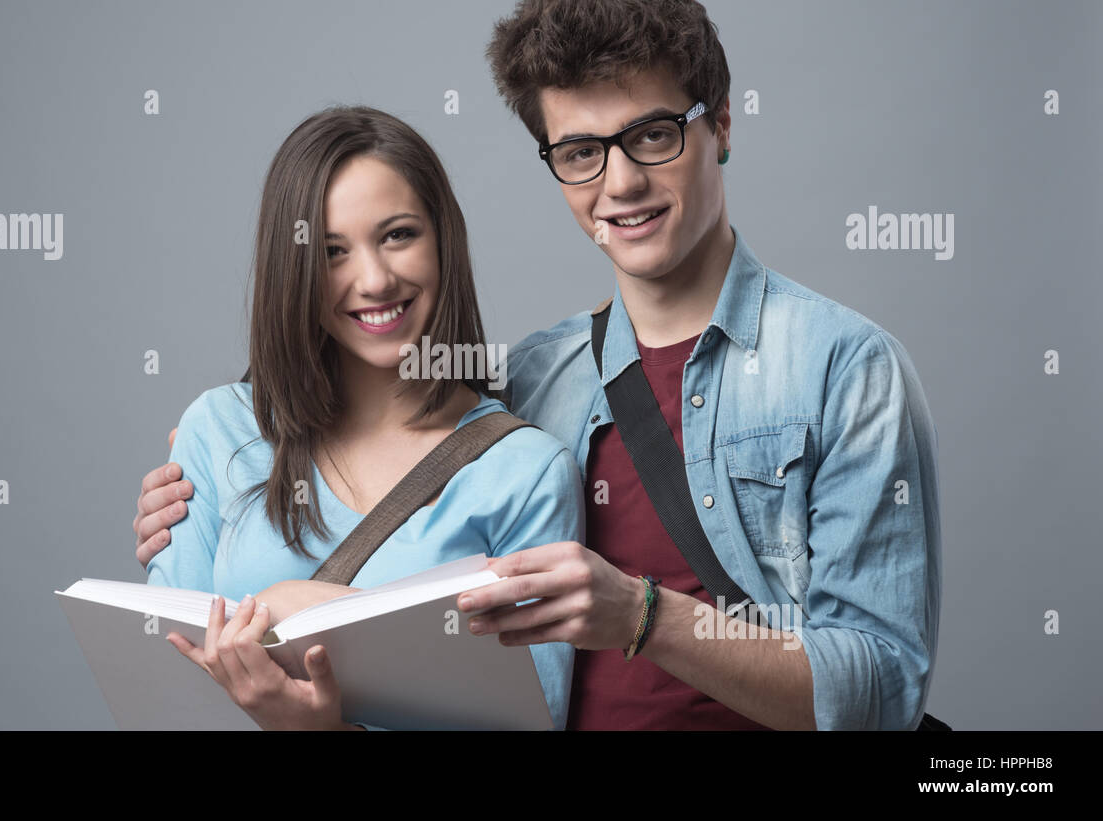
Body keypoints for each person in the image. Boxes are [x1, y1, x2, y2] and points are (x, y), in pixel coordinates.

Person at [136, 0, 941, 731]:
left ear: (721, 124)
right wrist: (211, 466)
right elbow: (391, 461)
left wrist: (641, 614)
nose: (620, 182)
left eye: (653, 134)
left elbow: (883, 690)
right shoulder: (533, 379)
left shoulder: (845, 369)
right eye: (582, 151)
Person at [144, 104, 583, 731]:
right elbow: (167, 696)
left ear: (443, 238)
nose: (374, 279)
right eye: (331, 251)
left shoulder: (527, 472)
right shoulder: (217, 430)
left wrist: (303, 636)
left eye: (398, 234)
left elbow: (527, 722)